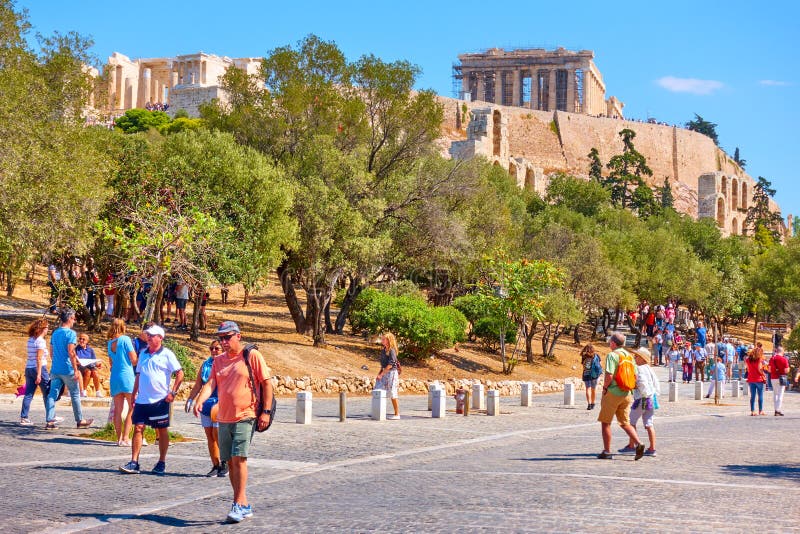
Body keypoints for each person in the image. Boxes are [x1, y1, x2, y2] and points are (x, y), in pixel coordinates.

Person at [193, 321, 273, 523]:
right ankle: (243, 504)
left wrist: (266, 412)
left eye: (227, 337)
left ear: (238, 335)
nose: (224, 341)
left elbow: (266, 383)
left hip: (246, 415)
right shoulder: (218, 360)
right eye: (221, 338)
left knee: (239, 457)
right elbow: (211, 383)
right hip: (223, 416)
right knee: (229, 461)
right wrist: (199, 401)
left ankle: (237, 503)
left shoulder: (251, 355)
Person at [119, 325, 183, 475]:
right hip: (142, 399)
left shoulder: (167, 354)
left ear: (160, 338)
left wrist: (173, 392)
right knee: (138, 428)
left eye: (152, 335)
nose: (149, 337)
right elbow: (139, 375)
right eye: (148, 335)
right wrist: (134, 393)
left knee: (161, 430)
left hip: (160, 400)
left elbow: (180, 373)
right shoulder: (142, 354)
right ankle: (134, 462)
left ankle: (161, 462)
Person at [596, 332, 645, 460]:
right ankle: (639, 443)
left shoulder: (612, 355)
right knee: (624, 422)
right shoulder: (629, 356)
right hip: (627, 393)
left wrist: (605, 388)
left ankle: (607, 451)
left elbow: (609, 375)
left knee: (605, 422)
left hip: (613, 392)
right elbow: (635, 376)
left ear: (613, 343)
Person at [44, 309, 93, 430]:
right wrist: (76, 369)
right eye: (74, 318)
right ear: (70, 318)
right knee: (75, 394)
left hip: (56, 368)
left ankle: (50, 420)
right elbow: (71, 352)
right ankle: (79, 419)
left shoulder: (55, 333)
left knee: (52, 394)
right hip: (68, 369)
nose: (74, 321)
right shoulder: (71, 334)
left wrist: (57, 361)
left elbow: (52, 351)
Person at [186, 339, 228, 477]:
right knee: (209, 436)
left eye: (217, 348)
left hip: (219, 404)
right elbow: (199, 384)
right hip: (206, 404)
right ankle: (215, 465)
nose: (214, 351)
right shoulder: (206, 364)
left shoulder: (226, 363)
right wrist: (191, 399)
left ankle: (225, 461)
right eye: (211, 348)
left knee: (218, 434)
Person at [620, 348, 658, 457]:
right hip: (651, 398)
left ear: (642, 358)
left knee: (630, 422)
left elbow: (641, 383)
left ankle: (632, 445)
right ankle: (652, 448)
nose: (634, 358)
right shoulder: (649, 369)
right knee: (649, 423)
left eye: (636, 356)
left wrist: (633, 386)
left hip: (642, 398)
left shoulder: (639, 369)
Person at [107, 319, 138, 446]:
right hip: (127, 376)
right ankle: (126, 437)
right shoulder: (126, 339)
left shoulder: (109, 343)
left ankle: (118, 438)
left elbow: (111, 363)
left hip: (115, 376)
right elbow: (134, 359)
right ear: (123, 327)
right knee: (132, 408)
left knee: (118, 410)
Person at [20, 318, 51, 425]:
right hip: (39, 369)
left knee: (28, 394)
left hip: (28, 368)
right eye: (47, 327)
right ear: (42, 329)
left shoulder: (30, 339)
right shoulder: (40, 341)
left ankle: (24, 417)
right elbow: (39, 358)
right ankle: (51, 416)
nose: (48, 330)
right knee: (47, 392)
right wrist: (39, 374)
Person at [377, 332, 401, 419]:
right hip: (385, 372)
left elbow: (391, 364)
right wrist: (380, 373)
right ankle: (379, 411)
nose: (382, 340)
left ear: (388, 340)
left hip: (391, 373)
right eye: (382, 339)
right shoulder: (384, 350)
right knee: (380, 391)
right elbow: (383, 364)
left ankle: (397, 414)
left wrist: (382, 374)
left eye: (384, 339)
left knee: (392, 393)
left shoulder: (392, 350)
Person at [76, 333, 103, 397]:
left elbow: (93, 360)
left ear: (87, 341)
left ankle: (98, 391)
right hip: (80, 367)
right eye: (80, 339)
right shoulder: (76, 349)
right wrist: (78, 363)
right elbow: (74, 360)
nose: (81, 340)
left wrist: (97, 364)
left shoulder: (90, 350)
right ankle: (84, 391)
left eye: (83, 339)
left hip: (90, 366)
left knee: (95, 372)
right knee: (88, 371)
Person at [768, 346, 789, 416]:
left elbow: (769, 370)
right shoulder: (784, 359)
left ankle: (776, 409)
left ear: (776, 351)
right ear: (782, 351)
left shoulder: (772, 359)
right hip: (781, 378)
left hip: (773, 377)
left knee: (775, 394)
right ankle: (777, 410)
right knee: (780, 394)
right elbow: (786, 370)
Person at [745, 348, 766, 416]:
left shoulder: (748, 360)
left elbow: (748, 370)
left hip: (751, 379)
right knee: (760, 395)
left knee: (752, 396)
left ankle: (752, 411)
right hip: (758, 379)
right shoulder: (759, 360)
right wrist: (763, 373)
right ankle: (760, 410)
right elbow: (759, 369)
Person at [580, 344, 602, 410]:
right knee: (593, 389)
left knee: (588, 388)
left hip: (586, 374)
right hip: (594, 375)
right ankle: (593, 403)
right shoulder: (596, 355)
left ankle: (589, 404)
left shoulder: (584, 356)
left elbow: (583, 365)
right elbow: (599, 365)